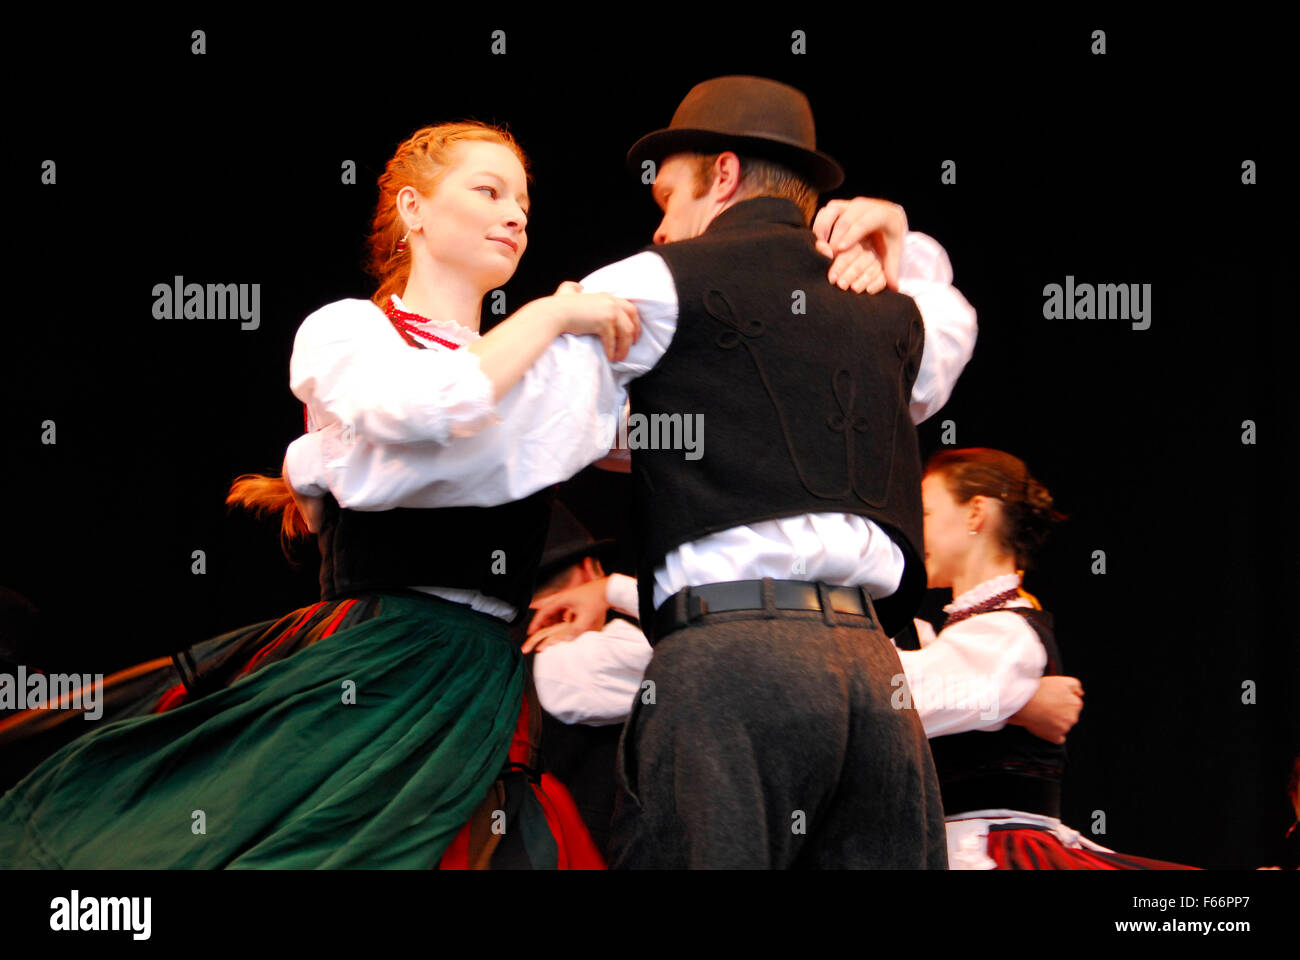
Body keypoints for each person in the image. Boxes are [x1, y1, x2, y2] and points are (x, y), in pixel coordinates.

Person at [287, 76, 980, 868]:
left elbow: (501, 441)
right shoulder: (896, 303)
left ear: (720, 177)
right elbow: (945, 339)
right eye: (488, 190)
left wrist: (326, 461)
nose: (659, 227)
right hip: (875, 678)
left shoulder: (653, 283)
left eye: (666, 198)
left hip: (734, 662)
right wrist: (900, 239)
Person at [0, 121, 644, 869]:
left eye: (525, 205)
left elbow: (655, 439)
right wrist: (552, 316)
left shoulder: (536, 367)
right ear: (413, 210)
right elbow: (423, 407)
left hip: (483, 679)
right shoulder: (351, 331)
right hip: (378, 658)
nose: (515, 216)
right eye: (489, 191)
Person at [913, 447, 1199, 869]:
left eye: (927, 514)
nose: (917, 533)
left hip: (989, 850)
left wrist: (1013, 704)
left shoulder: (1001, 630)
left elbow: (899, 702)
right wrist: (1021, 705)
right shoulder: (977, 629)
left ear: (976, 513)